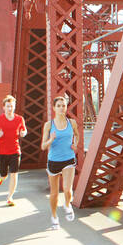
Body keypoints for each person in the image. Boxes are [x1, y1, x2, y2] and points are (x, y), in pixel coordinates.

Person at [40, 95, 81, 230]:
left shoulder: (72, 123)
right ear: (54, 108)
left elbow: (77, 134)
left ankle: (67, 205)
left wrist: (75, 144)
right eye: (58, 106)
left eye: (63, 105)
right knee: (54, 193)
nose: (61, 108)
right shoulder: (49, 125)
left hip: (68, 159)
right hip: (53, 161)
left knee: (68, 190)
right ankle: (54, 217)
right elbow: (43, 146)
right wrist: (51, 140)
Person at [0, 94, 27, 206]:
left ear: (14, 107)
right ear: (4, 107)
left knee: (14, 174)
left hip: (15, 150)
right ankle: (0, 177)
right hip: (2, 152)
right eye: (8, 106)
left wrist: (23, 133)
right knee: (4, 174)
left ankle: (10, 197)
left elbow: (24, 131)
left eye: (12, 106)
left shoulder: (20, 119)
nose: (10, 108)